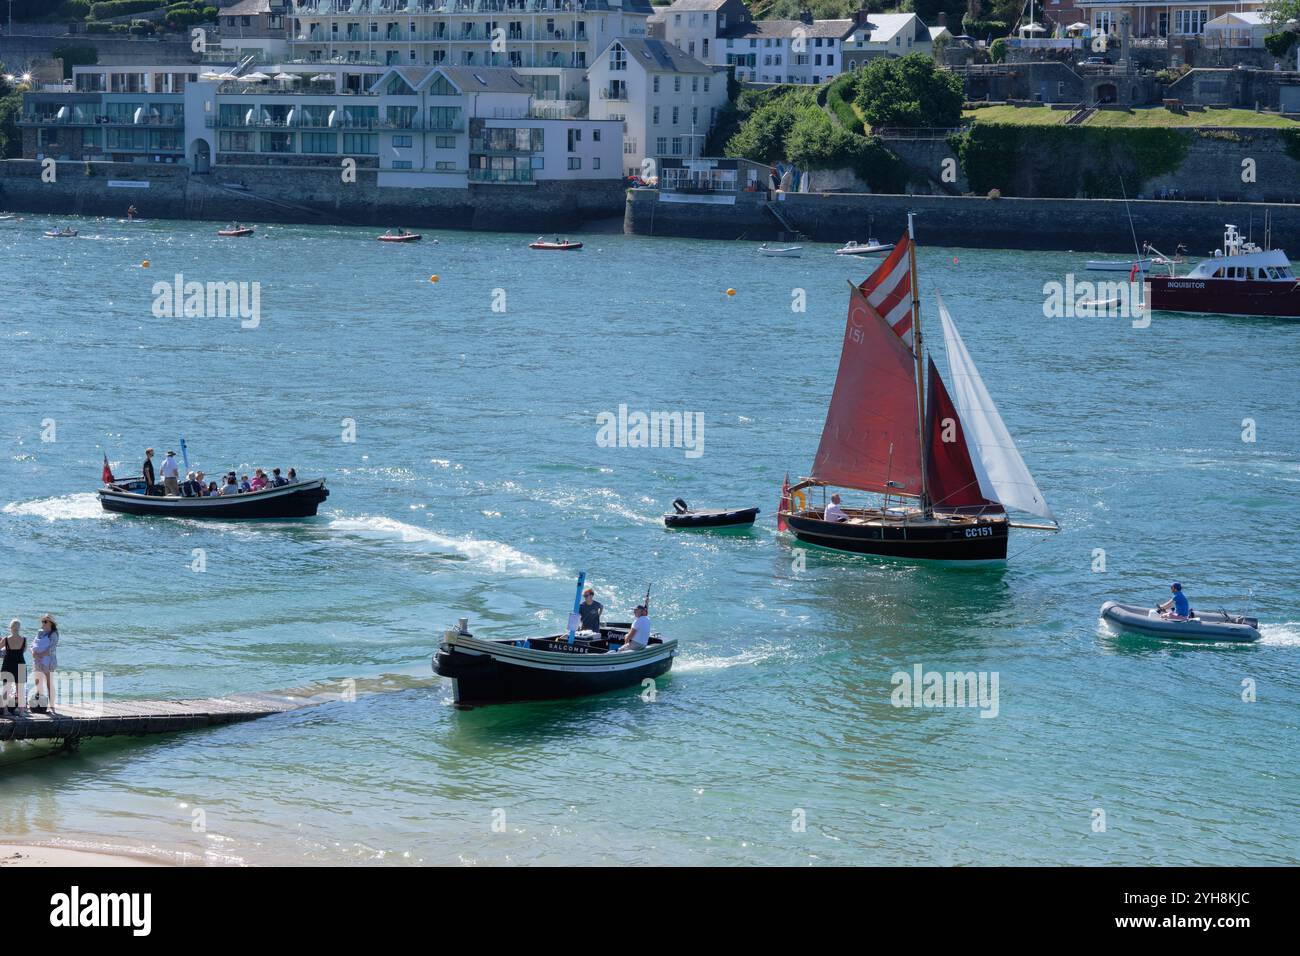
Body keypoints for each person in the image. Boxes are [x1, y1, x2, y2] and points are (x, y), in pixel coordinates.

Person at [31, 615, 58, 714]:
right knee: (38, 684)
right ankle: (40, 706)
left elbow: (52, 648)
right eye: (42, 621)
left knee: (49, 684)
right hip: (38, 662)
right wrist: (33, 653)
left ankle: (52, 706)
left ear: (51, 623)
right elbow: (32, 644)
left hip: (49, 662)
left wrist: (40, 655)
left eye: (45, 621)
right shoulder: (40, 632)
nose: (43, 623)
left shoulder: (54, 634)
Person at [2, 619, 27, 717]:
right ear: (19, 628)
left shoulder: (6, 639)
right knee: (20, 689)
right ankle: (21, 712)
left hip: (8, 664)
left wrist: (6, 649)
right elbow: (23, 650)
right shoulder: (24, 639)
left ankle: (5, 711)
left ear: (11, 628)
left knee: (6, 689)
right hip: (20, 664)